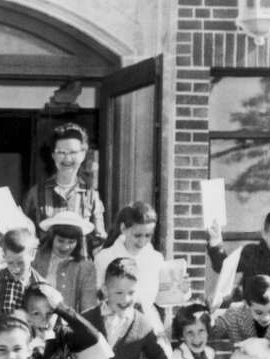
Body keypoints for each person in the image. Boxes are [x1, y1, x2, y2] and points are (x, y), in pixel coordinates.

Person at [21, 122, 107, 254]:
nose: (67, 159)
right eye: (61, 152)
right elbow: (23, 237)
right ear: (53, 155)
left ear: (83, 154)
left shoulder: (91, 195)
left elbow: (99, 241)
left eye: (73, 152)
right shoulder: (36, 193)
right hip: (43, 266)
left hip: (80, 265)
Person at [94, 202, 165, 325]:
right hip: (114, 322)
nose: (142, 241)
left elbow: (162, 298)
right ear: (123, 229)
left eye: (148, 235)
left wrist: (181, 290)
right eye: (137, 235)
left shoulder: (156, 258)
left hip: (147, 322)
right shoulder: (105, 257)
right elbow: (97, 295)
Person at [210, 275, 270, 356]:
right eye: (259, 312)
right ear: (246, 304)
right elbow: (212, 330)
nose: (265, 318)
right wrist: (210, 310)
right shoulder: (235, 313)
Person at [34, 210, 98, 313]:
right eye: (60, 241)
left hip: (64, 321)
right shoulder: (36, 257)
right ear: (52, 237)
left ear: (78, 242)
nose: (65, 247)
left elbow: (88, 305)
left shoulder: (85, 267)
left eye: (71, 242)